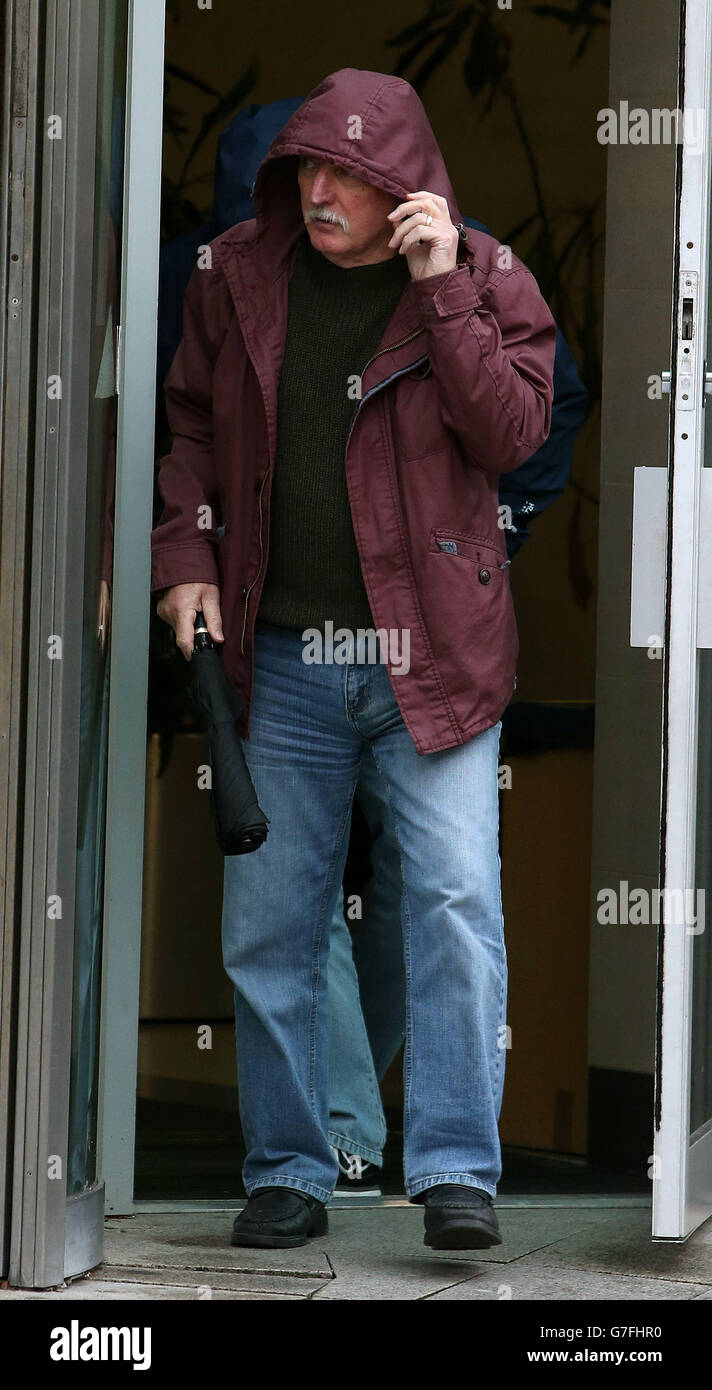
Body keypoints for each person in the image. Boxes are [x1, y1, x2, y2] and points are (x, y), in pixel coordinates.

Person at [151, 67, 557, 1251]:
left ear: (409, 189)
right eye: (307, 169)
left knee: (451, 902)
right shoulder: (238, 272)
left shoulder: (486, 278)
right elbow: (189, 427)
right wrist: (186, 557)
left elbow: (515, 434)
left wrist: (441, 297)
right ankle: (289, 1164)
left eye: (349, 175)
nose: (320, 192)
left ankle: (454, 1173)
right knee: (271, 921)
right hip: (279, 659)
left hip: (434, 652)